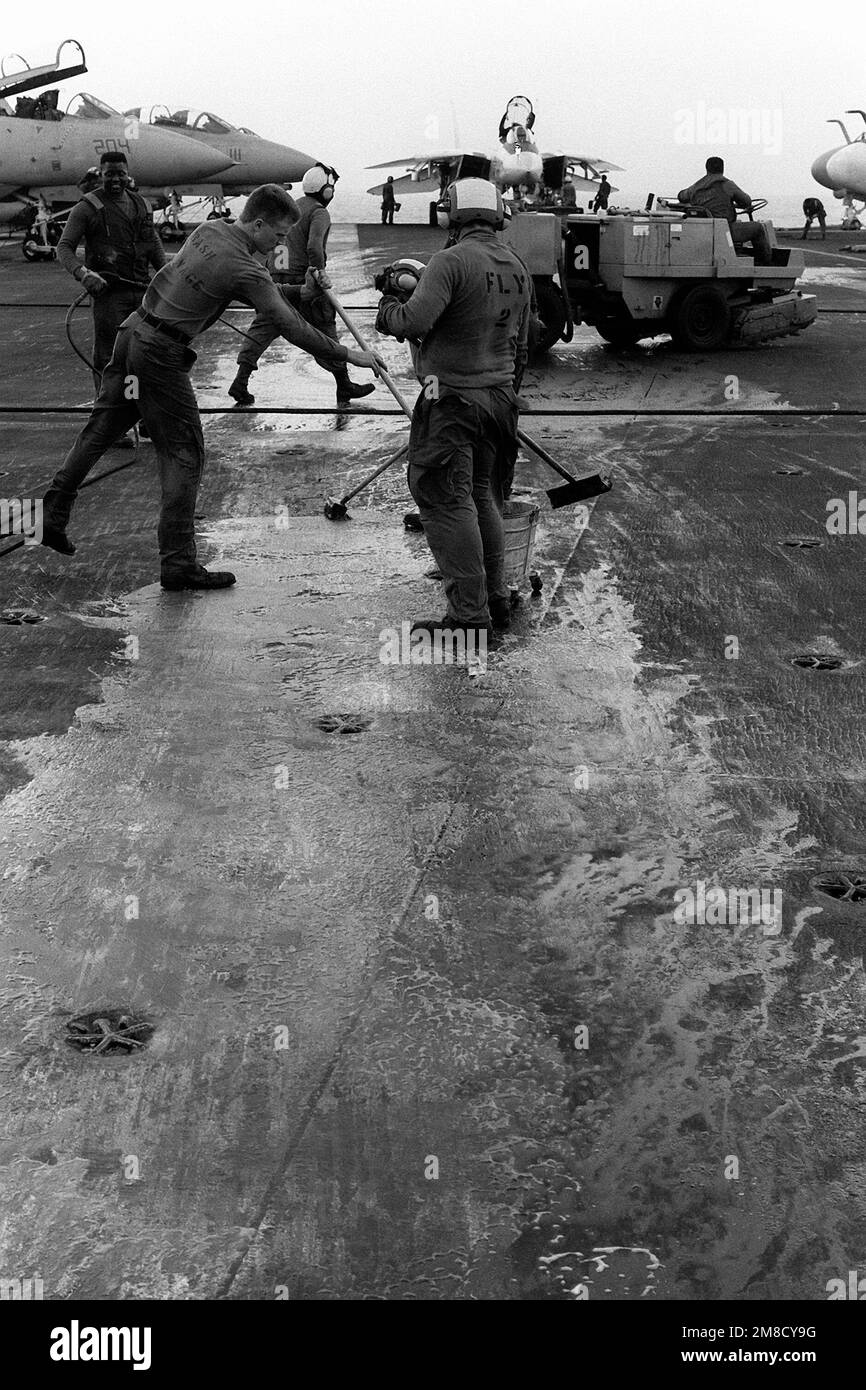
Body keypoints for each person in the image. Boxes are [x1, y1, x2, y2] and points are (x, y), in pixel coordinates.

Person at [40, 184, 383, 590]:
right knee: (184, 454)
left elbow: (261, 291)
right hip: (160, 357)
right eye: (276, 236)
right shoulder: (245, 266)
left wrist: (301, 291)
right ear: (257, 224)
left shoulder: (210, 230)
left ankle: (52, 512)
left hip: (133, 334)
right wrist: (347, 354)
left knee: (101, 430)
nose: (278, 244)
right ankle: (179, 564)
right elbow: (288, 323)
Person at [375, 177, 530, 640]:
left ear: (452, 215)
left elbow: (413, 321)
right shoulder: (517, 266)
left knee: (446, 500)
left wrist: (388, 304)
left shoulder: (449, 261)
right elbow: (524, 344)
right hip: (500, 401)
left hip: (452, 401)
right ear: (498, 215)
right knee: (484, 496)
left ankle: (468, 615)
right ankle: (496, 600)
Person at [228, 166, 375, 409]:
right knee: (325, 328)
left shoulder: (290, 208)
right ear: (326, 190)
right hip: (303, 281)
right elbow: (314, 246)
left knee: (263, 328)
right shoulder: (319, 213)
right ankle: (344, 383)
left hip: (275, 278)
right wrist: (319, 272)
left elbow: (276, 246)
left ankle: (240, 382)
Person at [57, 151, 167, 401]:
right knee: (109, 357)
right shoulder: (87, 208)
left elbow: (152, 243)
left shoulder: (141, 204)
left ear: (128, 175)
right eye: (109, 174)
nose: (115, 180)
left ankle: (135, 410)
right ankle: (108, 419)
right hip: (109, 296)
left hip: (142, 294)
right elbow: (63, 248)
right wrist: (83, 274)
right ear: (100, 174)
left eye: (120, 174)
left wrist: (166, 276)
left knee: (138, 357)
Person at [677, 156, 771, 263]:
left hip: (704, 230)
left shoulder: (695, 187)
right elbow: (747, 202)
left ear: (707, 169)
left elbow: (681, 196)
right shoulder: (727, 184)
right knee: (758, 228)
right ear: (723, 168)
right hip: (724, 230)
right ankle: (764, 263)